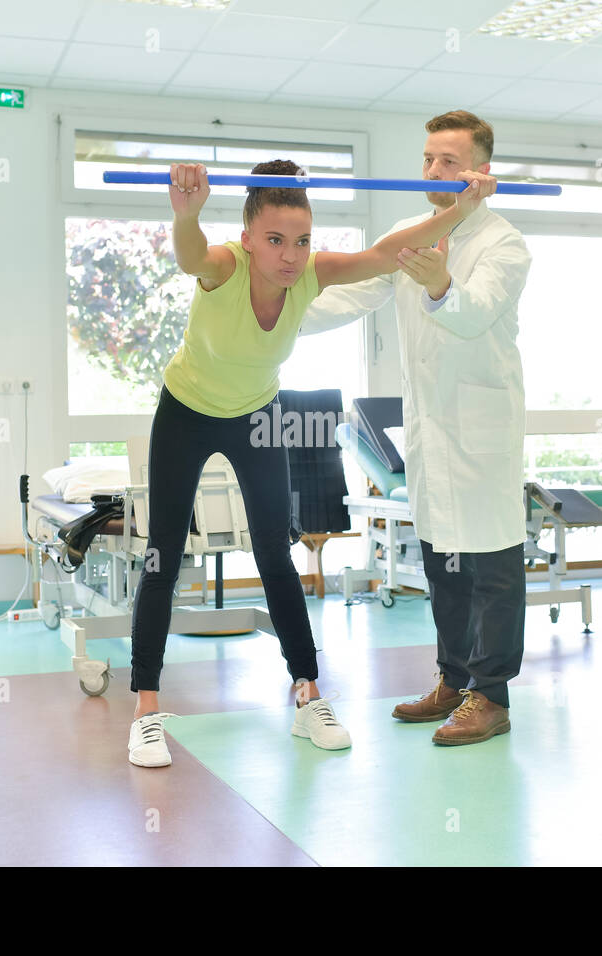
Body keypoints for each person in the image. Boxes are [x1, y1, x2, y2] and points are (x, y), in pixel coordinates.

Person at [127, 157, 488, 768]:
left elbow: (385, 253)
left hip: (256, 416)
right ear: (247, 239)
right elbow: (190, 257)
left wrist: (461, 211)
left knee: (276, 552)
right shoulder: (223, 266)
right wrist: (184, 215)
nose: (290, 256)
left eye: (301, 241)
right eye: (274, 240)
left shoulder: (310, 278)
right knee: (163, 553)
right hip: (185, 411)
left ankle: (309, 694)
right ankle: (144, 711)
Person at [302, 110, 531, 746]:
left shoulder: (504, 244)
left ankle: (492, 696)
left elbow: (473, 312)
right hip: (428, 427)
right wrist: (273, 314)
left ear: (481, 172)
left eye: (449, 161)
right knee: (443, 559)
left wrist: (440, 286)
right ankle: (454, 680)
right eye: (428, 158)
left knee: (491, 565)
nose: (433, 170)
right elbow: (350, 294)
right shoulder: (410, 232)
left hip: (482, 428)